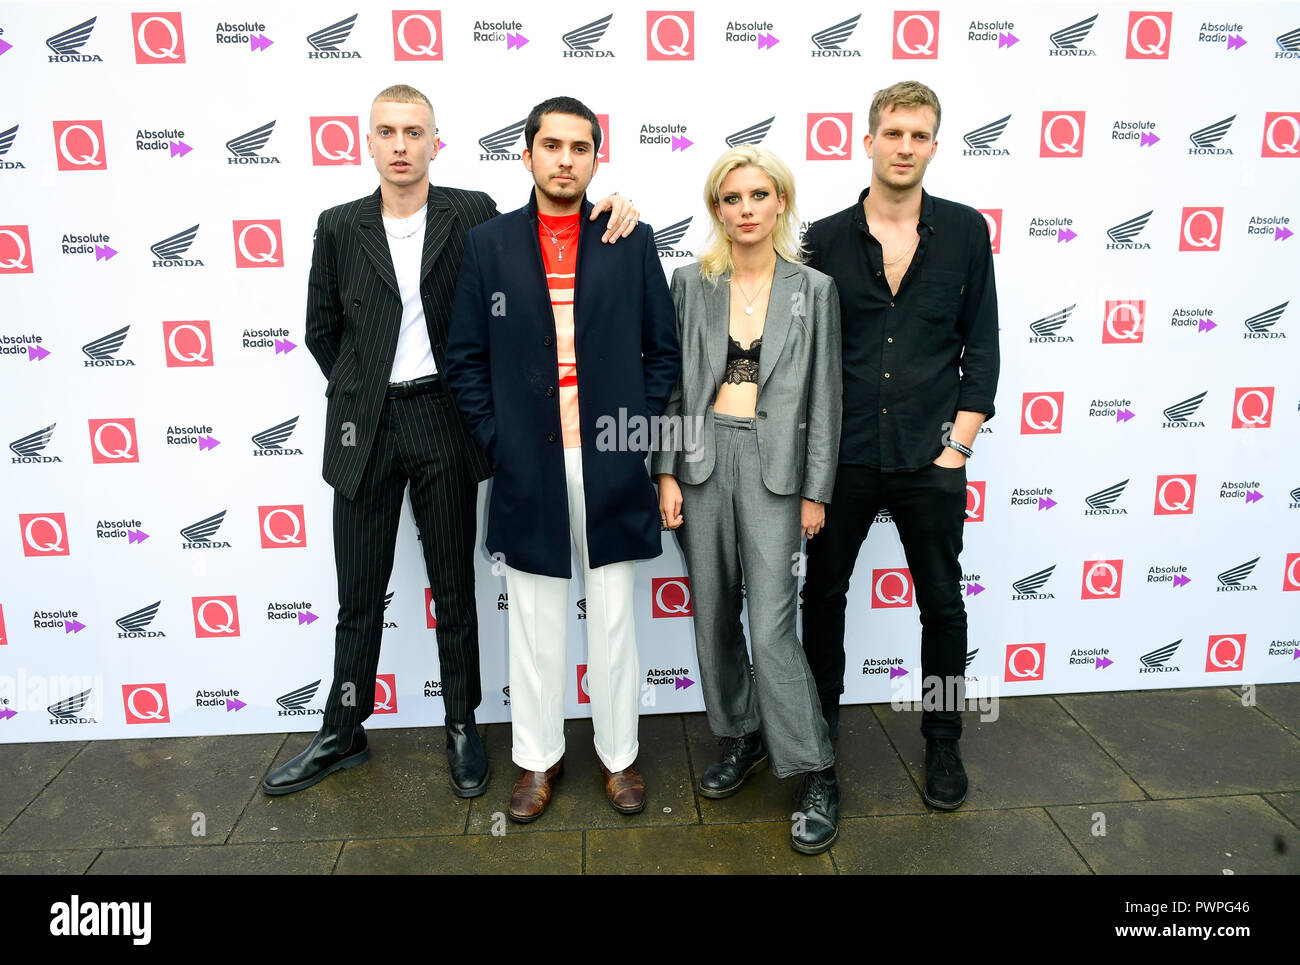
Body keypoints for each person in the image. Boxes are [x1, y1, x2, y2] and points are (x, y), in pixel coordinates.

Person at [262, 84, 640, 798]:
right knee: (357, 594)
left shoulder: (471, 214)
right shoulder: (338, 225)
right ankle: (341, 731)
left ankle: (462, 726)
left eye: (414, 132)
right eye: (387, 131)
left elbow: (551, 236)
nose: (401, 145)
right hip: (364, 429)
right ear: (367, 142)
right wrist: (361, 385)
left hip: (444, 422)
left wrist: (617, 204)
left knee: (454, 588)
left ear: (437, 141)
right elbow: (320, 329)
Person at [445, 96, 679, 823]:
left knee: (613, 620)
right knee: (536, 623)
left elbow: (661, 351)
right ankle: (536, 760)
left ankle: (619, 758)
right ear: (527, 154)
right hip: (528, 466)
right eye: (552, 145)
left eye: (581, 147)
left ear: (596, 158)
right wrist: (499, 441)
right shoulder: (489, 245)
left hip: (609, 459)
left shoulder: (626, 239)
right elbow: (465, 359)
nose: (566, 159)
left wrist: (631, 433)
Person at [800, 80, 1000, 810]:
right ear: (869, 141)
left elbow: (982, 345)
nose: (905, 147)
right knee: (822, 598)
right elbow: (799, 352)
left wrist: (960, 448)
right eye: (893, 133)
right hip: (843, 456)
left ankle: (943, 738)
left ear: (935, 146)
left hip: (931, 455)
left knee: (944, 606)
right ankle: (819, 738)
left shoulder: (967, 231)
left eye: (919, 135)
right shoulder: (821, 237)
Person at [653, 146, 843, 854]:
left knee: (771, 627)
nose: (745, 209)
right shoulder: (689, 283)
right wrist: (667, 470)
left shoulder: (814, 288)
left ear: (781, 202)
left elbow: (825, 396)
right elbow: (672, 385)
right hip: (701, 464)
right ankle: (741, 736)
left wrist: (815, 489)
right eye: (731, 199)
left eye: (758, 195)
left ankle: (816, 766)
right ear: (717, 209)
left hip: (776, 472)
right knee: (713, 619)